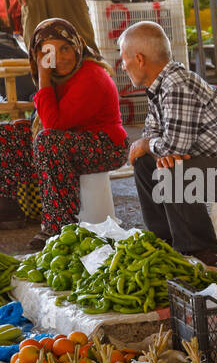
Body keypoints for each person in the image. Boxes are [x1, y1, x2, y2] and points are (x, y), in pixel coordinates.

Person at [120, 20, 217, 265]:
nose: (123, 66)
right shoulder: (158, 87)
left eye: (124, 59)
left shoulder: (177, 84)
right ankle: (165, 244)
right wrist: (151, 147)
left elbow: (170, 148)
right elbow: (155, 137)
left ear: (139, 59)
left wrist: (150, 146)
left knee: (172, 170)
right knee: (145, 163)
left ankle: (201, 253)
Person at [0, 19, 125, 248]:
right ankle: (8, 208)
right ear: (38, 55)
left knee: (49, 142)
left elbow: (54, 126)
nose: (60, 57)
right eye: (49, 50)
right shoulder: (56, 76)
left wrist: (44, 79)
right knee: (8, 134)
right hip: (70, 141)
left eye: (65, 48)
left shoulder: (91, 76)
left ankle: (58, 226)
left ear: (77, 46)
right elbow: (48, 120)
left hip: (106, 146)